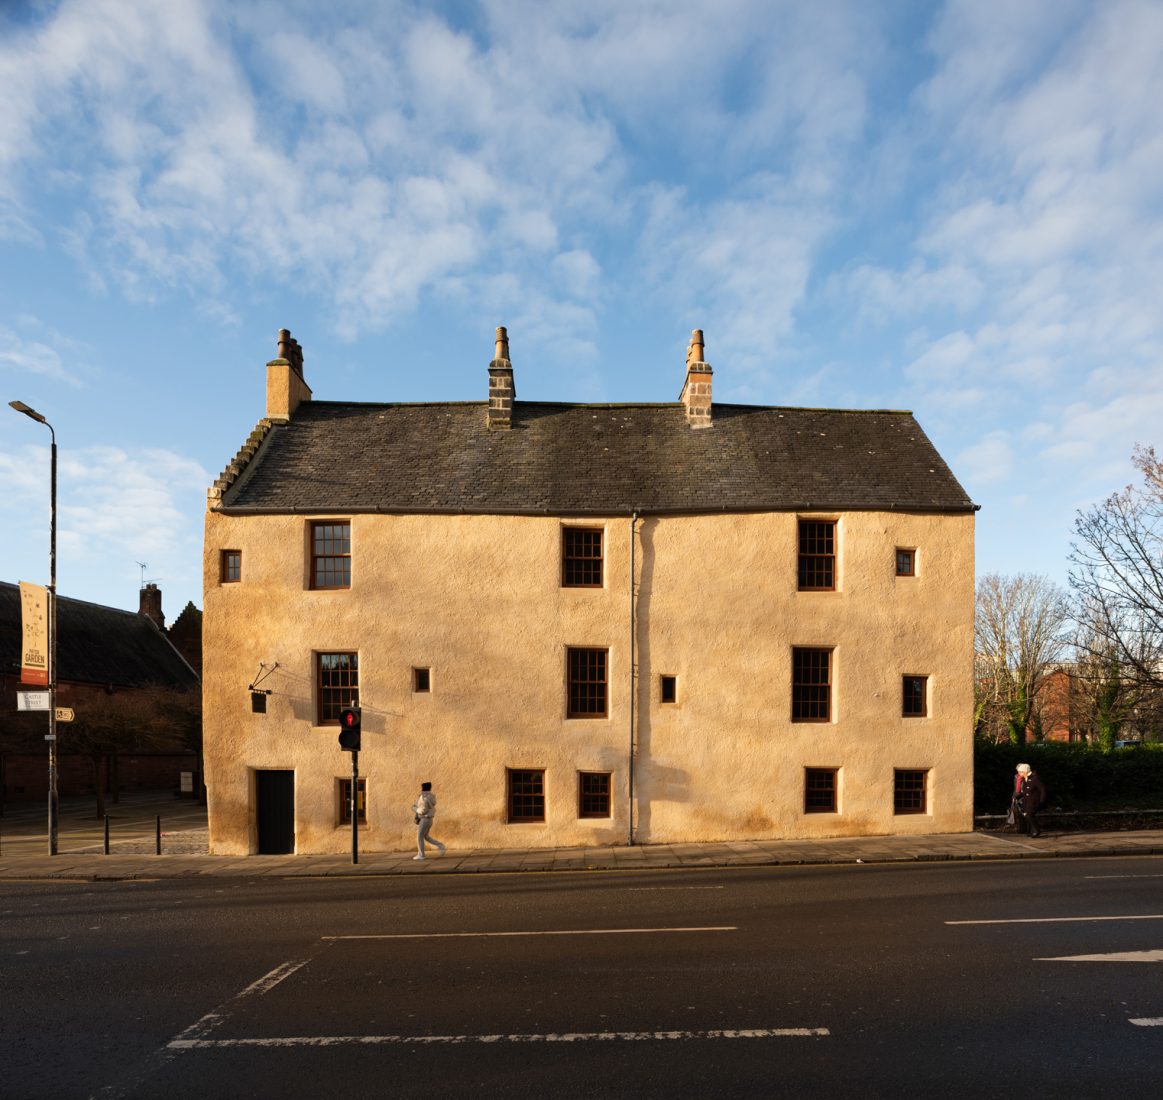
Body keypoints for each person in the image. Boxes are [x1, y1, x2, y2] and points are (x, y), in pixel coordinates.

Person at [412, 781, 446, 860]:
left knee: (419, 837)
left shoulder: (424, 797)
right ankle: (441, 846)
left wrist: (414, 808)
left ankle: (421, 855)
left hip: (424, 819)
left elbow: (422, 811)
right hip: (429, 819)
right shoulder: (431, 796)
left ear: (423, 788)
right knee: (426, 836)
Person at [1013, 763, 1046, 837]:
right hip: (1027, 801)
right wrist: (1018, 796)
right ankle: (1032, 831)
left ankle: (1037, 830)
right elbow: (1025, 791)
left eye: (1020, 772)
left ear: (1024, 771)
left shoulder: (1035, 778)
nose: (1019, 773)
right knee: (1027, 816)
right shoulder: (1025, 779)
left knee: (1029, 815)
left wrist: (1042, 800)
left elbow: (1042, 789)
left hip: (1034, 801)